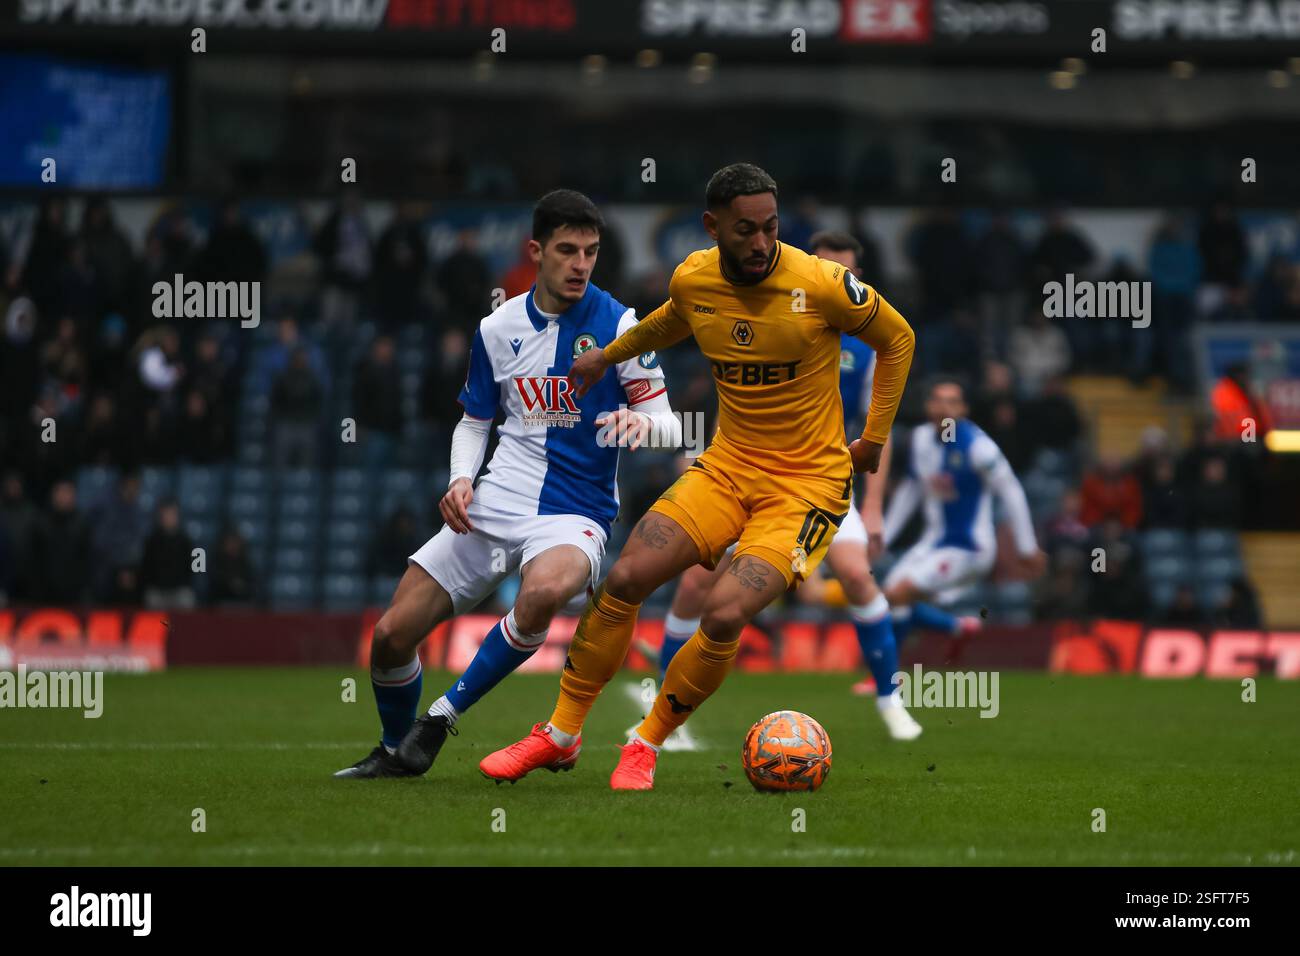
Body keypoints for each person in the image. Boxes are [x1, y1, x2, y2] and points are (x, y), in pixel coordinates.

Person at [480, 163, 916, 790]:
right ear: (713, 227)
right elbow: (671, 319)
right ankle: (561, 734)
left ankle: (647, 742)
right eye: (745, 231)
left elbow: (898, 339)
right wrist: (609, 354)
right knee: (627, 577)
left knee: (724, 614)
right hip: (728, 467)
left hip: (805, 489)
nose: (762, 243)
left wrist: (872, 439)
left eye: (771, 228)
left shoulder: (822, 284)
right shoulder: (696, 276)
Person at [336, 190, 682, 779]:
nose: (580, 264)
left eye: (591, 252)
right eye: (567, 250)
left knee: (544, 594)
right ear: (536, 251)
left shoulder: (622, 325)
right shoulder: (497, 327)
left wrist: (640, 423)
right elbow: (474, 421)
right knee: (392, 635)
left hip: (576, 514)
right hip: (495, 501)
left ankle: (439, 719)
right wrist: (460, 480)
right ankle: (397, 750)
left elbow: (671, 423)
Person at [645, 230, 921, 742]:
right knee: (695, 584)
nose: (839, 278)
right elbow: (735, 394)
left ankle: (890, 699)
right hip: (746, 472)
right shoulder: (768, 315)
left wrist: (875, 506)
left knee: (859, 577)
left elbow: (874, 425)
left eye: (848, 270)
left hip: (821, 480)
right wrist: (699, 454)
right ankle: (664, 701)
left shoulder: (864, 350)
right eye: (828, 266)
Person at [879, 378, 1046, 651]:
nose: (943, 407)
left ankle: (885, 677)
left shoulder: (979, 447)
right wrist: (884, 536)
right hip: (933, 543)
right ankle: (959, 627)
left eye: (952, 401)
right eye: (937, 400)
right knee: (889, 597)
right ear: (927, 406)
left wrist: (1026, 547)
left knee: (898, 594)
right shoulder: (920, 439)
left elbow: (1011, 491)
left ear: (963, 409)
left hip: (970, 548)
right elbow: (911, 489)